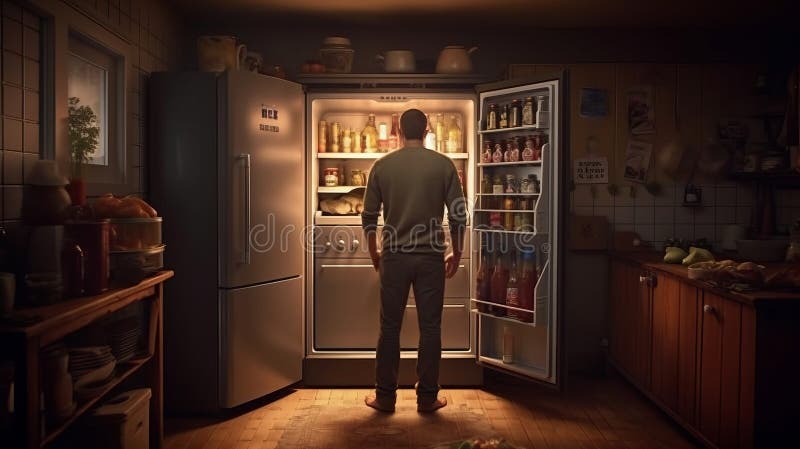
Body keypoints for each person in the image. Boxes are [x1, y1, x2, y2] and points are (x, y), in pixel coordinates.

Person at [361, 108, 467, 413]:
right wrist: (457, 252)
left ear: (398, 131)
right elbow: (459, 216)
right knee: (430, 328)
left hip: (394, 257)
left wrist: (375, 254)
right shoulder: (444, 165)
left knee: (389, 328)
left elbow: (369, 217)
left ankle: (385, 397)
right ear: (427, 130)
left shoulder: (382, 166)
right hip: (431, 258)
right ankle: (427, 398)